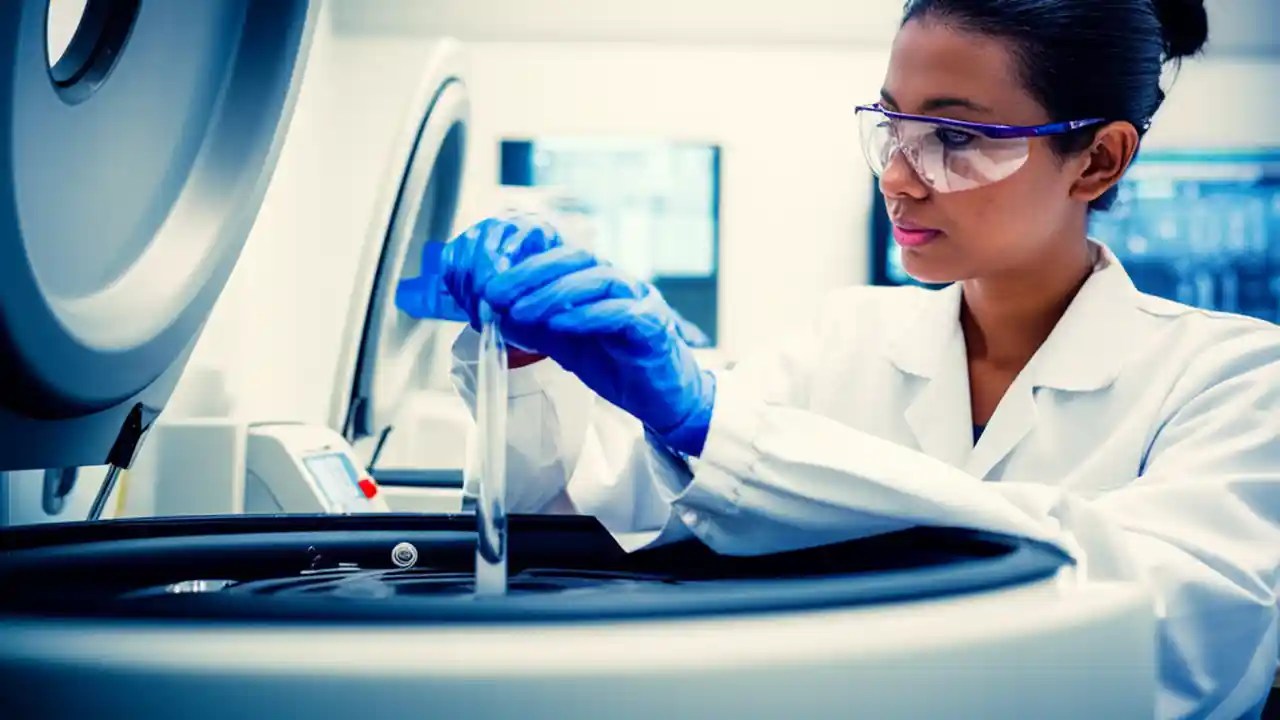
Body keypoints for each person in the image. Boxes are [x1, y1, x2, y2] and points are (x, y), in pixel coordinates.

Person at [428, 1, 1280, 716]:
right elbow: (599, 539)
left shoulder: (1234, 378)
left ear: (1098, 159)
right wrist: (527, 365)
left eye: (953, 136)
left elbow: (1173, 636)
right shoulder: (842, 342)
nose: (901, 178)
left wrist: (719, 428)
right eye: (891, 126)